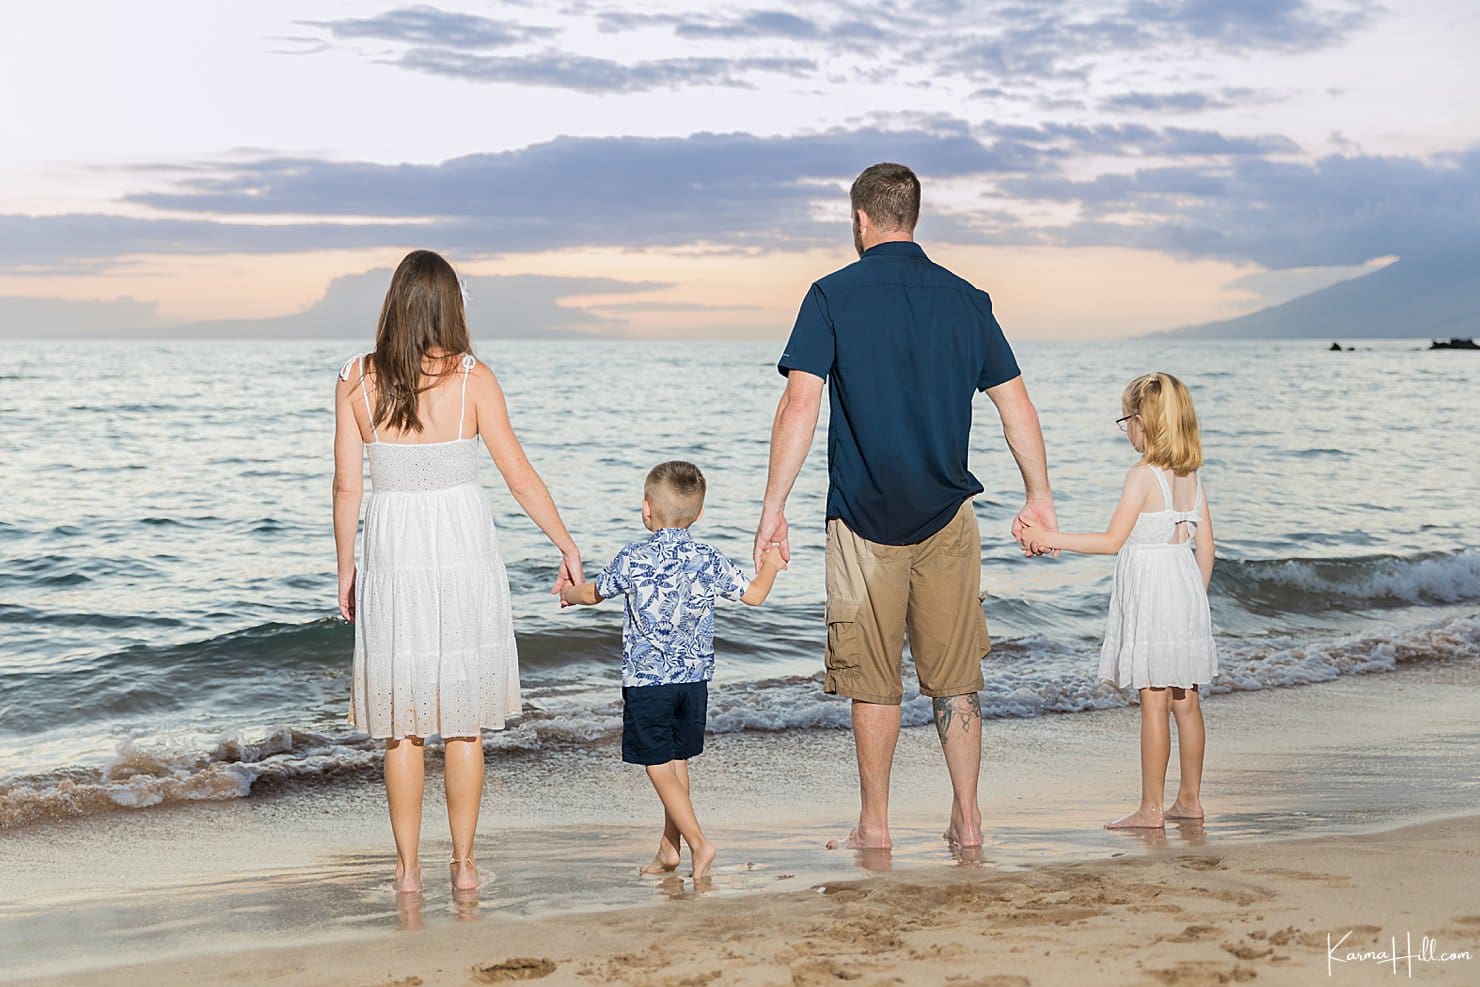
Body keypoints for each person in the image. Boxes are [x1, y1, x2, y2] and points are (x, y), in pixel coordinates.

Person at [755, 162, 1057, 852]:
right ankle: (970, 820)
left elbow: (800, 405)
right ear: (913, 216)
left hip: (863, 519)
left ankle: (877, 825)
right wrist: (1039, 498)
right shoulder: (966, 299)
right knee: (956, 679)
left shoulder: (831, 294)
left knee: (873, 678)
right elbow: (1017, 405)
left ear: (861, 219)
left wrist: (774, 508)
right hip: (948, 517)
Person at [333, 249, 584, 893]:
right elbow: (518, 475)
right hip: (462, 550)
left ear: (393, 305)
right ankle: (465, 867)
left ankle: (408, 871)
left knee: (401, 724)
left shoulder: (355, 382)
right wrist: (565, 543)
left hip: (392, 554)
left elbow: (345, 488)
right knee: (463, 721)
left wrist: (344, 570)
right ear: (452, 305)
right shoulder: (476, 380)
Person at [562, 461, 786, 879]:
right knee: (677, 759)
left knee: (657, 764)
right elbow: (754, 596)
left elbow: (594, 593)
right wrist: (771, 564)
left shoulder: (634, 556)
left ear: (646, 509)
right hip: (694, 682)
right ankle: (670, 849)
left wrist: (569, 594)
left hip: (649, 682)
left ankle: (700, 844)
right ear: (698, 514)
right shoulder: (708, 556)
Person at [1020, 372, 1217, 829]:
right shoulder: (1191, 475)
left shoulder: (1142, 476)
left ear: (1144, 422)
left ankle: (1151, 809)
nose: (1125, 427)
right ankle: (1189, 800)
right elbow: (1205, 548)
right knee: (1185, 700)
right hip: (1185, 590)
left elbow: (1112, 541)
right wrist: (1195, 603)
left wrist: (1049, 536)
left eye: (1126, 418)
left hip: (1154, 593)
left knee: (1153, 699)